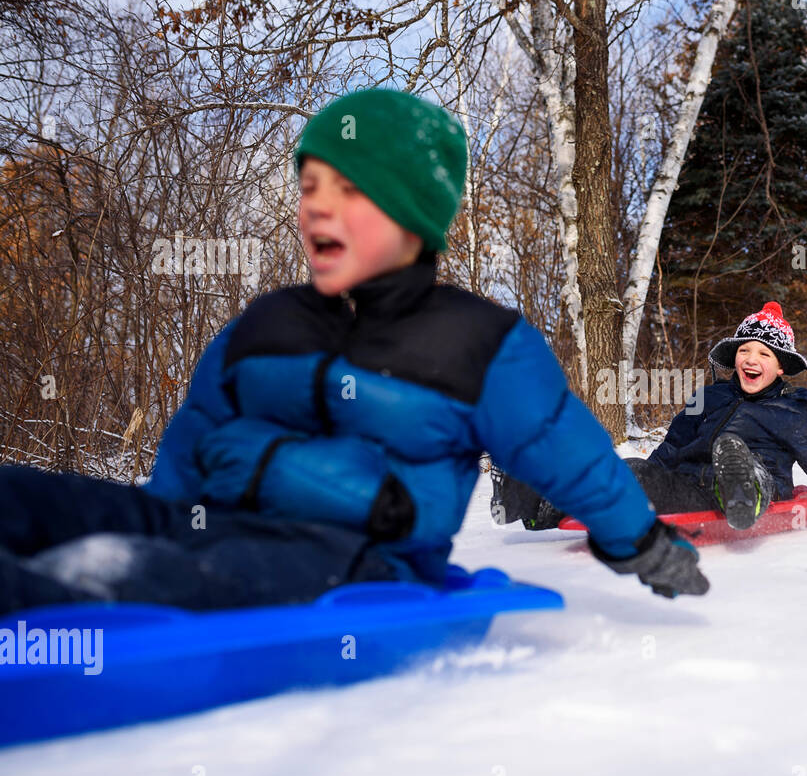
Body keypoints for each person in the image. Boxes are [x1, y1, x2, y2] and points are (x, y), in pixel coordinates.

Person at [0, 88, 708, 617]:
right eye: (309, 188)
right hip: (217, 527)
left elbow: (568, 453)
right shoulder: (264, 324)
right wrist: (165, 523)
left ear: (412, 214)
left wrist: (641, 542)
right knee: (33, 500)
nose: (316, 207)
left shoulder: (477, 342)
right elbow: (191, 445)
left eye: (349, 190)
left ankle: (71, 595)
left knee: (127, 575)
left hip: (360, 564)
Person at [494, 301, 807, 534]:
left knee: (734, 451)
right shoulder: (708, 397)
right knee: (628, 471)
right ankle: (537, 504)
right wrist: (649, 473)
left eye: (764, 353)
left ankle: (742, 495)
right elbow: (671, 447)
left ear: (781, 367)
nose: (751, 358)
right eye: (744, 350)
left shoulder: (793, 410)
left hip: (759, 482)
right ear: (734, 357)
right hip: (692, 488)